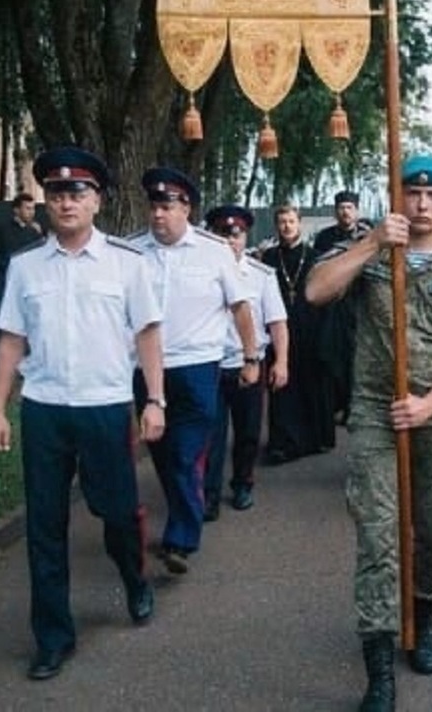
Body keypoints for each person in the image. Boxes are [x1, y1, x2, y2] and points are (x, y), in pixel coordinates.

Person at [305, 154, 432, 712]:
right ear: (398, 198)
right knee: (377, 536)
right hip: (375, 413)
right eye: (412, 193)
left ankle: (425, 620)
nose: (421, 204)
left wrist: (430, 403)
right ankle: (379, 665)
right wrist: (371, 243)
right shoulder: (371, 255)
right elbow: (316, 291)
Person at [0, 146, 166, 681]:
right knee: (45, 526)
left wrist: (154, 399)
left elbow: (148, 334)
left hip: (104, 408)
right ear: (46, 202)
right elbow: (11, 340)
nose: (66, 202)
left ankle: (134, 579)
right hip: (44, 410)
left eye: (77, 192)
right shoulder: (25, 267)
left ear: (97, 201)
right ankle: (52, 638)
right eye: (57, 193)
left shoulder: (126, 264)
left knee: (118, 514)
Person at [128, 168, 259, 575]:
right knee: (163, 453)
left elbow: (240, 308)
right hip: (146, 370)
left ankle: (181, 539)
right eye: (154, 206)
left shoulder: (214, 251)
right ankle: (184, 516)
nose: (158, 214)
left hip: (198, 368)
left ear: (186, 208)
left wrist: (251, 357)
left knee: (184, 453)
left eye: (167, 206)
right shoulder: (131, 252)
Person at [202, 204, 289, 518]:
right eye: (222, 234)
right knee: (211, 435)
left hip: (247, 364)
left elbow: (277, 322)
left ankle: (243, 483)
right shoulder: (199, 273)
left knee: (248, 433)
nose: (230, 241)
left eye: (236, 234)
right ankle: (208, 496)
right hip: (210, 364)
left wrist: (282, 362)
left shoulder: (261, 276)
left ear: (245, 237)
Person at [262, 204, 334, 461]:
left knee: (309, 384)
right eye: (282, 222)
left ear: (299, 223)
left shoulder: (315, 257)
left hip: (310, 330)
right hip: (279, 329)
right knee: (281, 387)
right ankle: (282, 442)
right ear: (276, 225)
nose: (287, 227)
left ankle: (312, 438)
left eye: (291, 221)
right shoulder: (269, 258)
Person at [313, 190, 372, 425]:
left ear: (356, 210)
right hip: (333, 305)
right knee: (330, 353)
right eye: (341, 208)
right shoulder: (325, 238)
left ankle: (353, 405)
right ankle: (334, 403)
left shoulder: (367, 236)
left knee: (356, 356)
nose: (345, 212)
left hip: (358, 303)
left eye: (349, 208)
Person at [0, 193, 45, 367]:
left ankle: (24, 357)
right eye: (27, 208)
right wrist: (9, 267)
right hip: (3, 281)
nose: (31, 212)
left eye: (33, 208)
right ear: (16, 210)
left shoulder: (33, 233)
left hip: (27, 284)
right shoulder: (1, 229)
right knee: (1, 318)